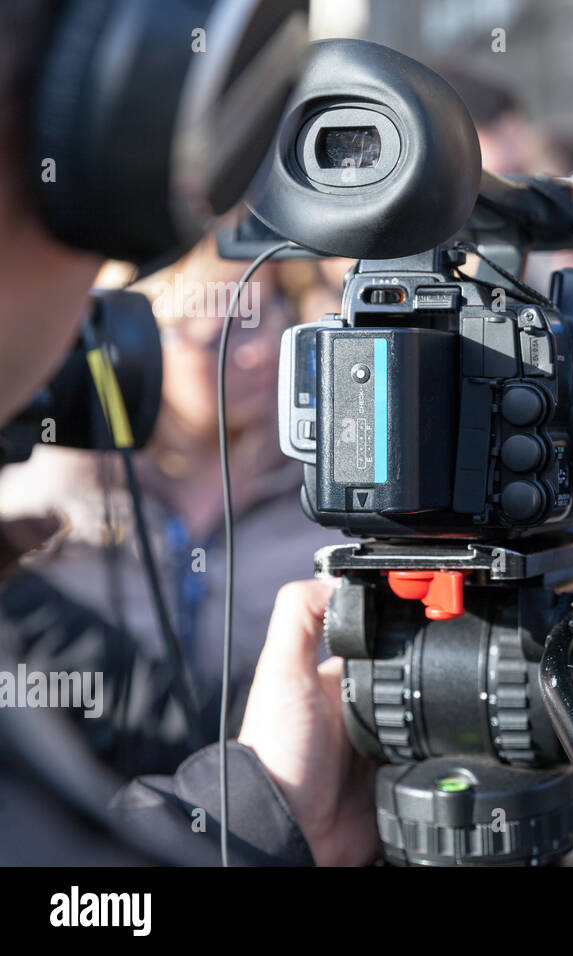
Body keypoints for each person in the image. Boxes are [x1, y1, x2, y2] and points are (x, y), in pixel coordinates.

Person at [0, 0, 375, 866]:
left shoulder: (343, 506)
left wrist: (265, 808)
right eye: (192, 313)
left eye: (250, 314)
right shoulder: (46, 512)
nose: (217, 338)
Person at [0, 236, 342, 777]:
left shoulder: (335, 496)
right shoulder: (35, 503)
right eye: (219, 336)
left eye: (265, 312)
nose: (257, 351)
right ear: (131, 346)